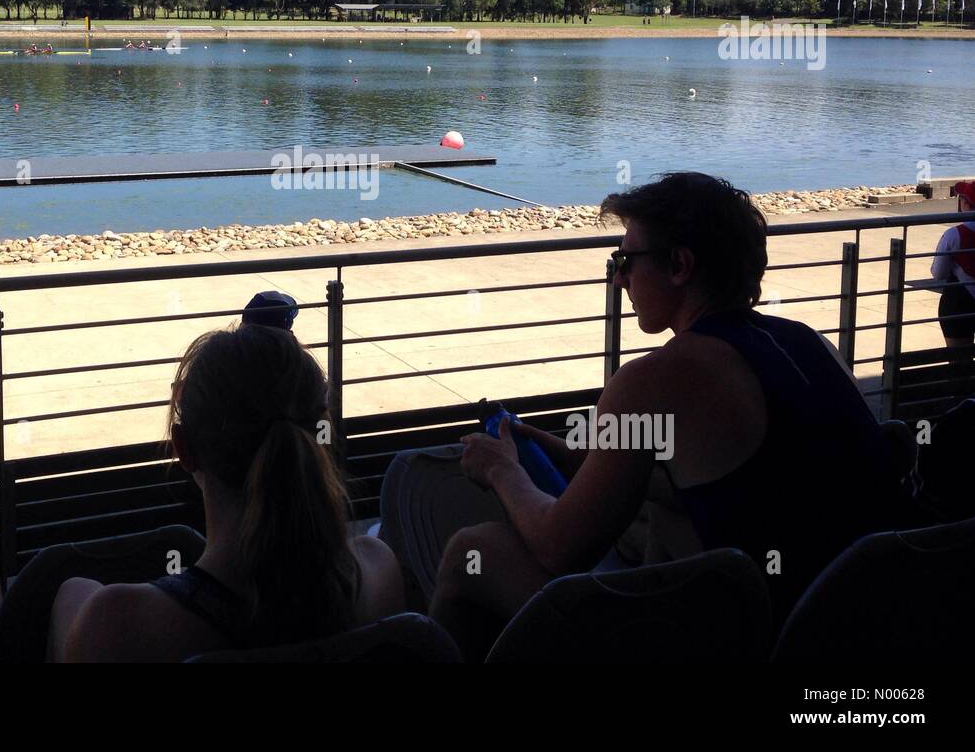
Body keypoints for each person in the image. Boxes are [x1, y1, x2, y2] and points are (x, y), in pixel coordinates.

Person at [429, 172, 913, 660]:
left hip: (743, 638)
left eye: (625, 261)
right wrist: (548, 448)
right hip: (855, 625)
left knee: (472, 551)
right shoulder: (807, 342)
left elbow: (559, 547)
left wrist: (501, 469)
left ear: (679, 265)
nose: (618, 278)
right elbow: (742, 479)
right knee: (655, 514)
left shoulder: (655, 378)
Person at [51, 324, 404, 661]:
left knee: (69, 587)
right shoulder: (378, 571)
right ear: (320, 432)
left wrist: (73, 595)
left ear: (184, 449)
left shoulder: (118, 626)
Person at [931, 180, 975, 348]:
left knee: (958, 361)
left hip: (958, 305)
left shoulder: (953, 235)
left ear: (965, 203)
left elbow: (938, 274)